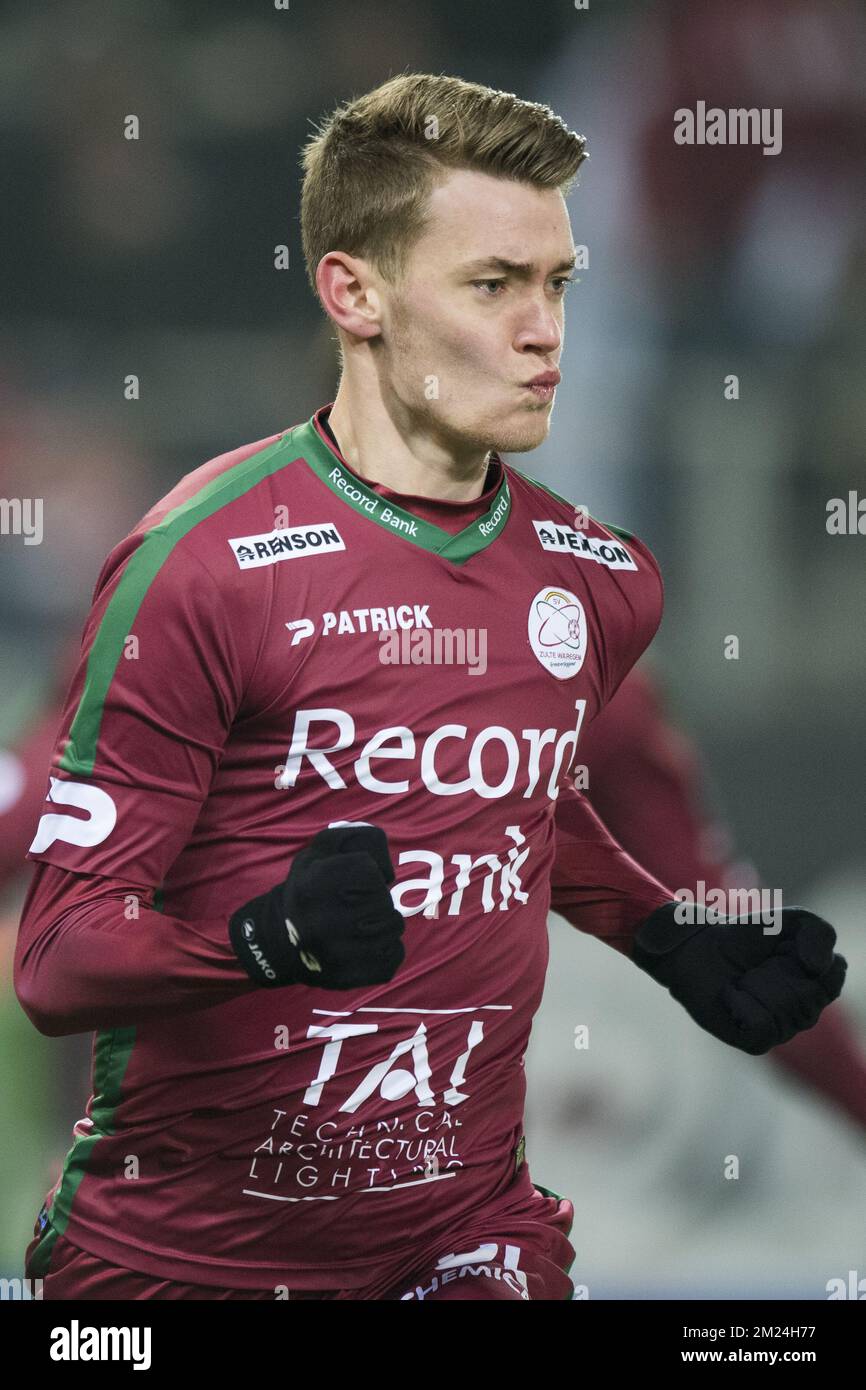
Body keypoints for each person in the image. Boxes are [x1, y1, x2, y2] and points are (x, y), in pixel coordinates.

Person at [15, 72, 845, 1301]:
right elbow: (58, 958)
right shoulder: (198, 568)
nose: (544, 332)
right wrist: (262, 940)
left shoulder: (595, 582)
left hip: (462, 1234)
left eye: (558, 283)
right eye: (492, 285)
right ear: (353, 295)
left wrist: (660, 932)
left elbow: (519, 813)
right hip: (181, 1255)